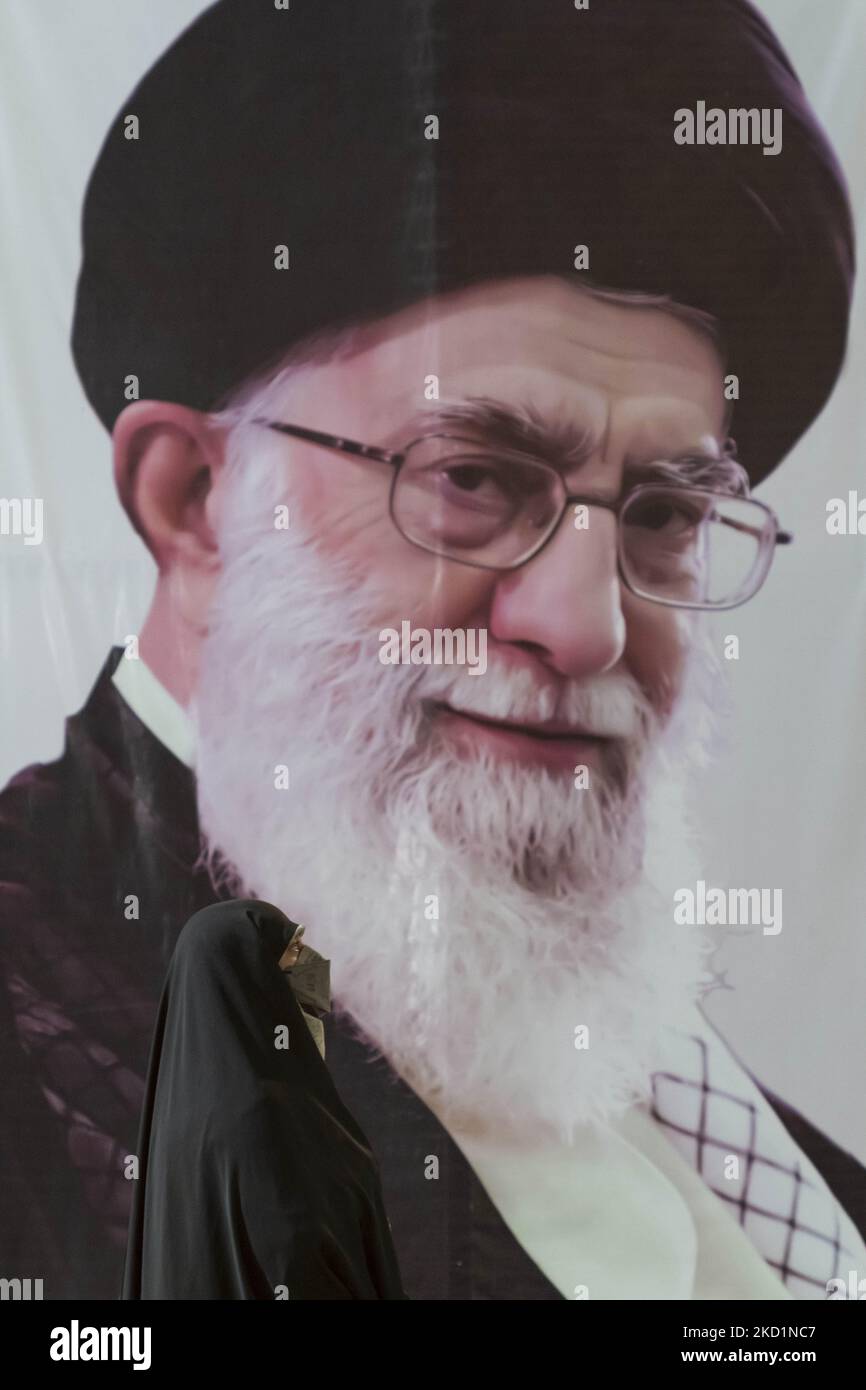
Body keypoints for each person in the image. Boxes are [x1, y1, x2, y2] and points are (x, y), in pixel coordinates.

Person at [1, 0, 864, 1300]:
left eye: (665, 514)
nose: (581, 623)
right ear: (193, 504)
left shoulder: (755, 1148)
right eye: (472, 476)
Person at [122, 897, 406, 1300]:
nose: (313, 968)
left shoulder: (175, 1125)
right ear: (249, 978)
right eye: (293, 956)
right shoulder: (266, 1113)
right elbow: (297, 1258)